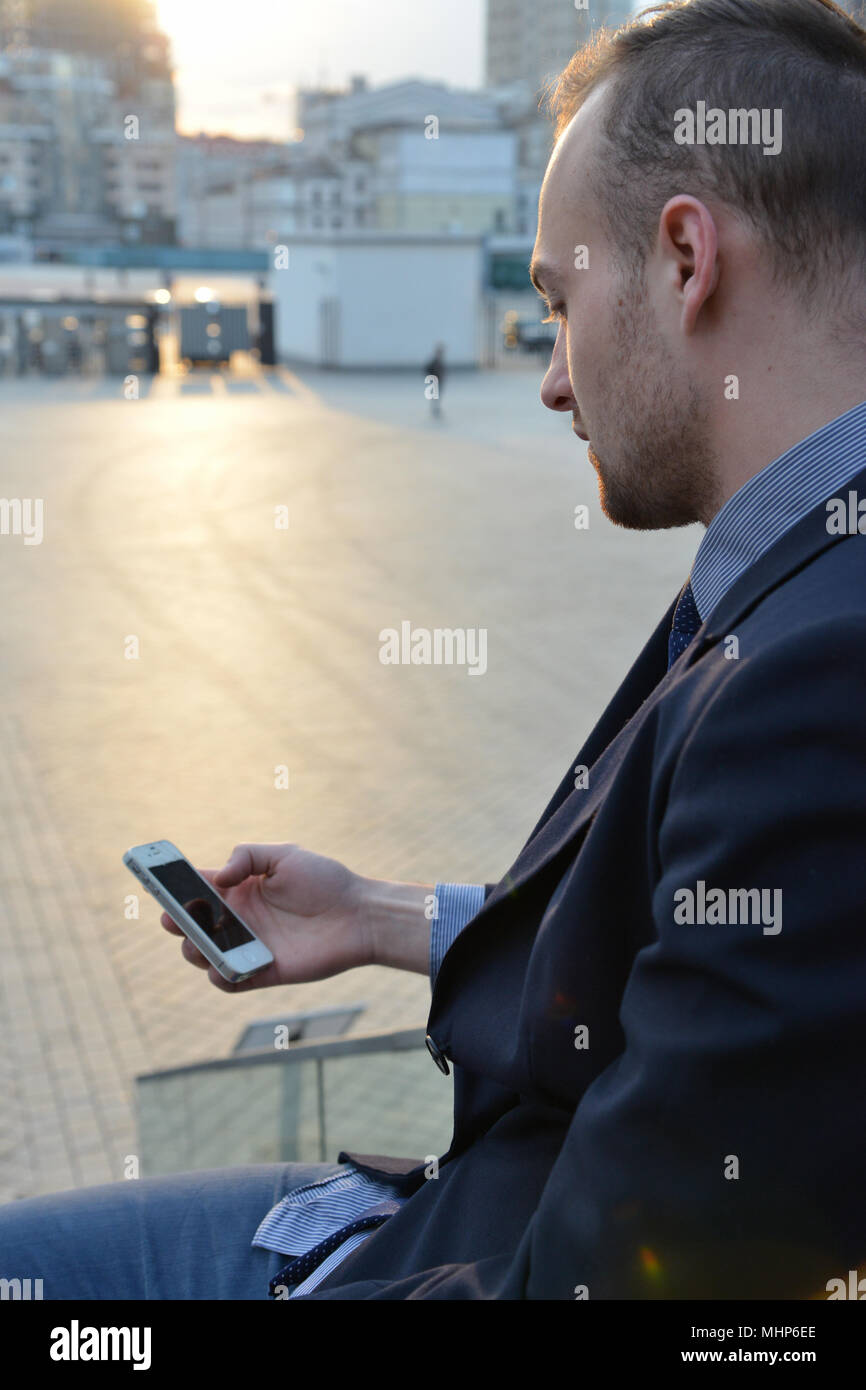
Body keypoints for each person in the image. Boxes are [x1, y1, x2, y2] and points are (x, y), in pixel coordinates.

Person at [3, 0, 866, 1299]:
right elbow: (666, 947)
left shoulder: (820, 674)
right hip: (426, 1214)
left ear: (685, 259)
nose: (549, 378)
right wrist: (379, 915)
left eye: (557, 300)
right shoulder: (799, 562)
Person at [424, 342, 446, 418]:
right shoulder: (434, 362)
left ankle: (436, 408)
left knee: (437, 396)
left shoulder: (439, 362)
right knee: (434, 396)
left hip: (439, 382)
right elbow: (427, 370)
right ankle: (435, 408)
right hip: (434, 382)